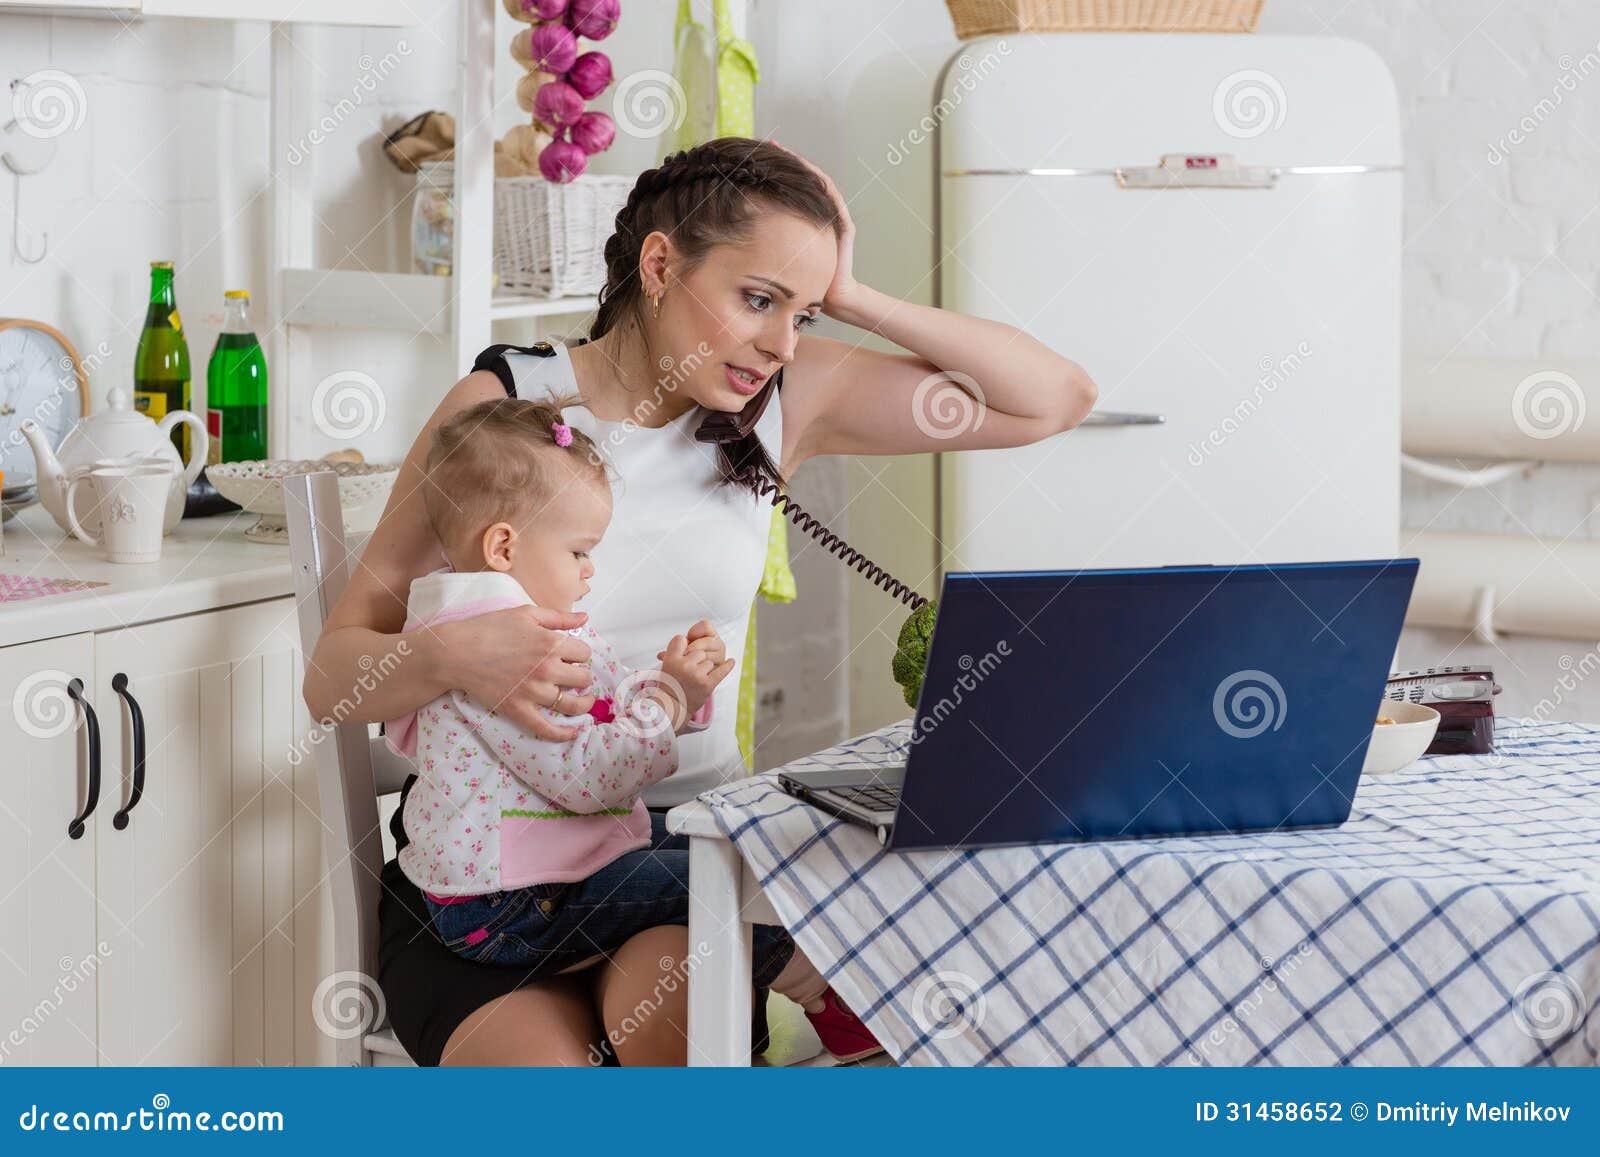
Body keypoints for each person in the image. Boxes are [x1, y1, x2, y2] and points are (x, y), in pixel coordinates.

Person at [302, 136, 1097, 1066]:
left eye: (800, 313)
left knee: (673, 1033)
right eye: (758, 298)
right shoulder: (508, 407)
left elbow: (1055, 399)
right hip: (482, 880)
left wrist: (845, 292)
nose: (781, 342)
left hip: (686, 854)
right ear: (660, 264)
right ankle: (827, 982)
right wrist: (447, 657)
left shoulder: (787, 396)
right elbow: (330, 681)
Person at [386, 395, 883, 1062]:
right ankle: (825, 992)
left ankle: (832, 988)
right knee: (718, 881)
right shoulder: (499, 652)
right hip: (509, 909)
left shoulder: (514, 624)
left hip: (540, 887)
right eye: (580, 550)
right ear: (504, 546)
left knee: (722, 866)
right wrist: (670, 703)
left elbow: (604, 699)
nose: (591, 569)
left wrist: (676, 684)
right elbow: (589, 775)